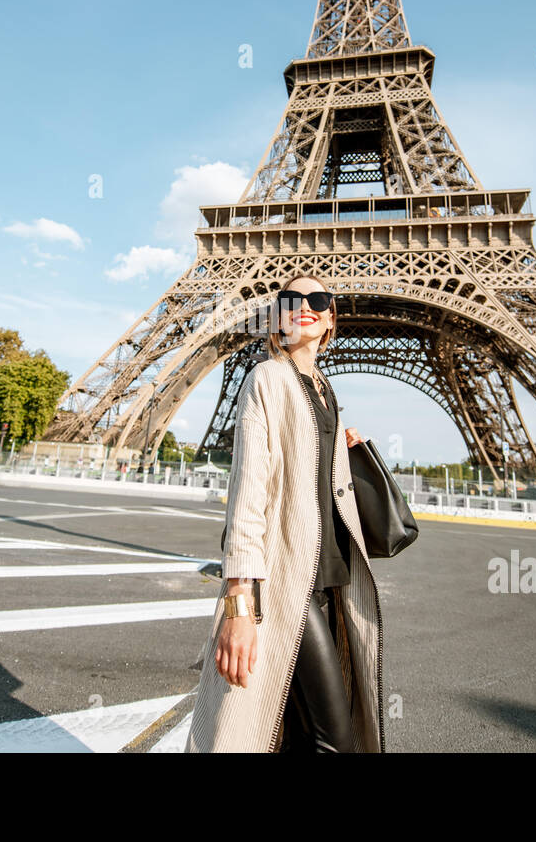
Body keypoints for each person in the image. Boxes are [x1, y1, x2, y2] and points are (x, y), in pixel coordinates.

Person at [186, 272, 384, 753]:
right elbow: (248, 494)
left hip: (331, 580)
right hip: (284, 583)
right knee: (333, 739)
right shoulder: (266, 378)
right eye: (290, 298)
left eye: (319, 298)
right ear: (275, 316)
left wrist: (343, 445)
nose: (305, 305)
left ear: (331, 318)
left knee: (296, 735)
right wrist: (238, 606)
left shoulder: (324, 391)